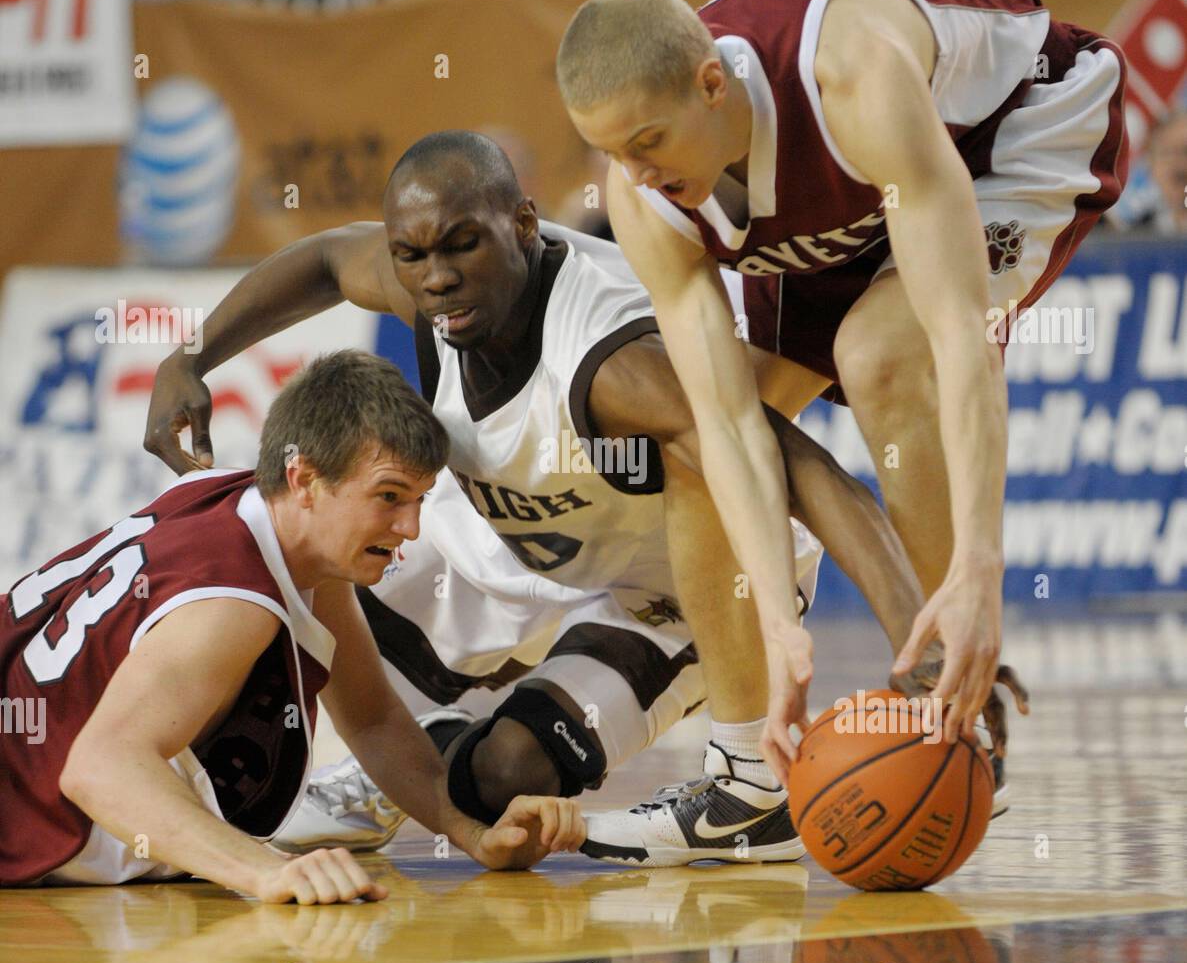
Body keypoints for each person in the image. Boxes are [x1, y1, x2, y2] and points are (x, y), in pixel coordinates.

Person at [145, 132, 1024, 869]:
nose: (436, 276)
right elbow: (326, 260)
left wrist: (924, 638)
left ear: (524, 225)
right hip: (505, 549)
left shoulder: (615, 364)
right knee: (283, 605)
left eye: (461, 246)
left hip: (667, 588)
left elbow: (809, 474)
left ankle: (414, 775)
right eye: (413, 255)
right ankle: (383, 774)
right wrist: (191, 356)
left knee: (503, 776)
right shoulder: (424, 280)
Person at [557, 0, 1124, 779]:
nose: (636, 175)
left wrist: (979, 567)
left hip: (1008, 126)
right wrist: (780, 624)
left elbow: (960, 345)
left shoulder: (851, 73)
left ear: (711, 86)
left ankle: (950, 678)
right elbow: (728, 425)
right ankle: (746, 765)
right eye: (613, 153)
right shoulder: (645, 193)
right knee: (692, 440)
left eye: (648, 141)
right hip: (842, 199)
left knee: (880, 356)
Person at [1, 350, 583, 896]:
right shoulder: (230, 602)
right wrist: (266, 874)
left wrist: (473, 834)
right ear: (304, 478)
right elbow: (101, 769)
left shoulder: (260, 515)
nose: (410, 528)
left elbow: (374, 719)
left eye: (421, 500)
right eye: (389, 496)